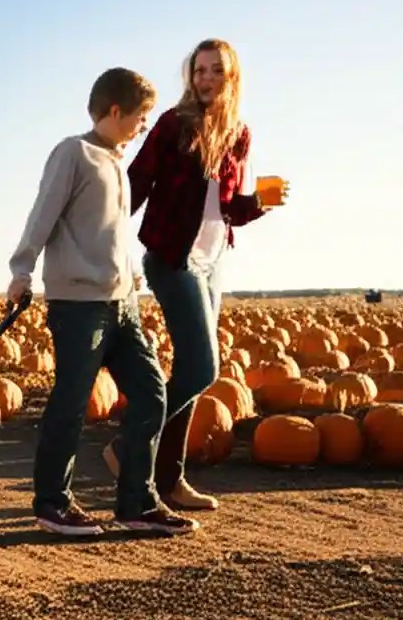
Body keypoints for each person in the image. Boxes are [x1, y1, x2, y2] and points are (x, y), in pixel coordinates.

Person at [7, 67, 199, 537]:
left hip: (122, 305)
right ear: (116, 111)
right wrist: (21, 270)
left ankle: (137, 502)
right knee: (71, 403)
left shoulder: (117, 163)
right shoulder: (73, 153)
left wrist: (131, 279)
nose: (144, 126)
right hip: (79, 305)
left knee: (152, 393)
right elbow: (42, 215)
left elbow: (110, 233)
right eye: (141, 116)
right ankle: (52, 503)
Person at [105, 38, 287, 510]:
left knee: (191, 370)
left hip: (212, 260)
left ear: (232, 78)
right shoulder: (172, 124)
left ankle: (169, 479)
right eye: (199, 70)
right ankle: (128, 449)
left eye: (215, 71)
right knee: (205, 368)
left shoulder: (240, 133)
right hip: (170, 258)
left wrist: (261, 204)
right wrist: (101, 233)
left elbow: (229, 209)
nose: (205, 79)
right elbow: (138, 180)